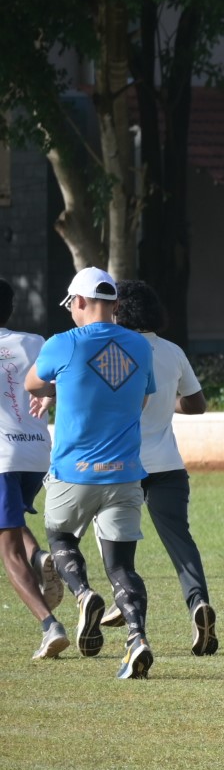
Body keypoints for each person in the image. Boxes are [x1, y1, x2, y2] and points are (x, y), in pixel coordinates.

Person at [25, 267, 158, 678]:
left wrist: (55, 391)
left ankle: (83, 594)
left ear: (79, 302)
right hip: (125, 473)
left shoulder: (62, 344)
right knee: (122, 566)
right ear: (115, 305)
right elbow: (139, 402)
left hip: (74, 472)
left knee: (60, 535)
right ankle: (137, 639)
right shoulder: (140, 346)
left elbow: (33, 383)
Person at [116, 281, 219, 656]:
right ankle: (198, 604)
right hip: (169, 466)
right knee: (180, 541)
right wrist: (168, 405)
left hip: (122, 464)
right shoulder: (172, 351)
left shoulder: (117, 350)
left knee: (112, 536)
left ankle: (119, 598)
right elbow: (197, 403)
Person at [0, 278, 65, 659]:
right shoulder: (34, 342)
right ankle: (41, 558)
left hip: (3, 459)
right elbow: (61, 382)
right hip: (39, 453)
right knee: (11, 521)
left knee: (7, 551)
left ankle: (49, 625)